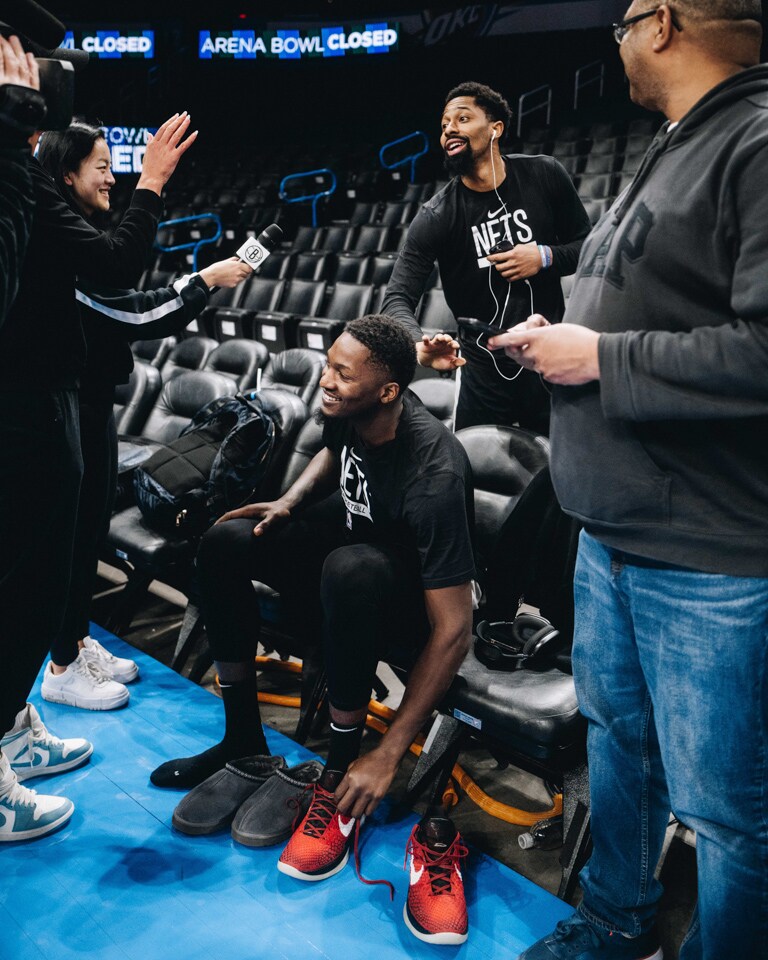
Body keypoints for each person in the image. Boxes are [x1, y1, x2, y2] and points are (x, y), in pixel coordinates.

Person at [488, 4, 768, 958]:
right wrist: (558, 346)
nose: (613, 41)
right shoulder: (678, 139)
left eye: (622, 20)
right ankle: (615, 918)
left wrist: (601, 357)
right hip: (611, 533)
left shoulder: (758, 140)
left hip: (709, 557)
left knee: (727, 813)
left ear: (664, 24)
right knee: (620, 745)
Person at [152, 315, 476, 945]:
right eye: (327, 364)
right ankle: (243, 742)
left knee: (348, 569)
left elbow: (455, 630)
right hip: (346, 560)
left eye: (341, 374)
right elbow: (335, 450)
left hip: (401, 596)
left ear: (388, 392)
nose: (325, 381)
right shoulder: (349, 404)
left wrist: (390, 754)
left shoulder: (435, 469)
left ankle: (340, 776)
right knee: (225, 540)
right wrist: (290, 502)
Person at [0, 106, 194, 841]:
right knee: (30, 593)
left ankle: (16, 728)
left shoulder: (27, 195)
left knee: (43, 583)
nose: (111, 171)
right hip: (28, 410)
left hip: (44, 401)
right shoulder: (25, 189)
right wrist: (151, 184)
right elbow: (119, 271)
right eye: (99, 161)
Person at [32, 120, 252, 711]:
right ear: (65, 174)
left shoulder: (75, 238)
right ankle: (60, 664)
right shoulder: (61, 246)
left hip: (92, 398)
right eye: (101, 166)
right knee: (70, 540)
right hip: (66, 404)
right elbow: (134, 316)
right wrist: (202, 281)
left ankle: (73, 645)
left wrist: (200, 280)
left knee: (86, 530)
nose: (112, 176)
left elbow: (123, 304)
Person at [382, 81, 591, 435]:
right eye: (445, 123)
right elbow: (397, 297)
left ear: (495, 129)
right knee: (473, 471)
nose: (450, 128)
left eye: (463, 118)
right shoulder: (437, 215)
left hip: (549, 357)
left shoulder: (544, 174)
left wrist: (545, 256)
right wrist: (419, 343)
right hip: (482, 370)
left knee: (560, 473)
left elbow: (588, 247)